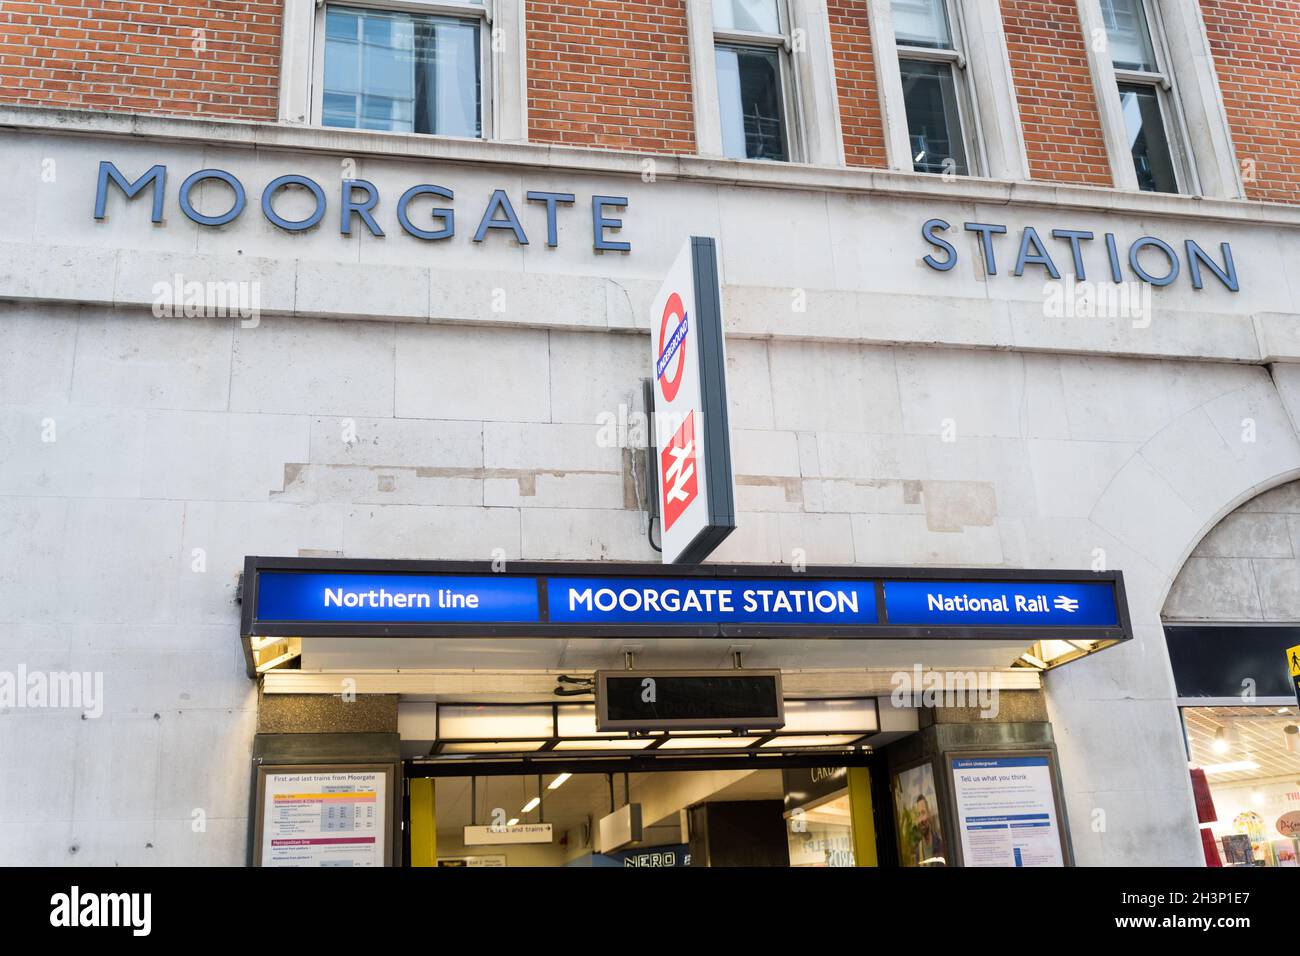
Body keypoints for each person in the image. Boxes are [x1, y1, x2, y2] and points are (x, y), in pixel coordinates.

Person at [915, 794, 947, 866]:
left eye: (923, 813)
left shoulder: (940, 846)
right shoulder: (918, 852)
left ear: (929, 814)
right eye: (918, 814)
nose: (921, 820)